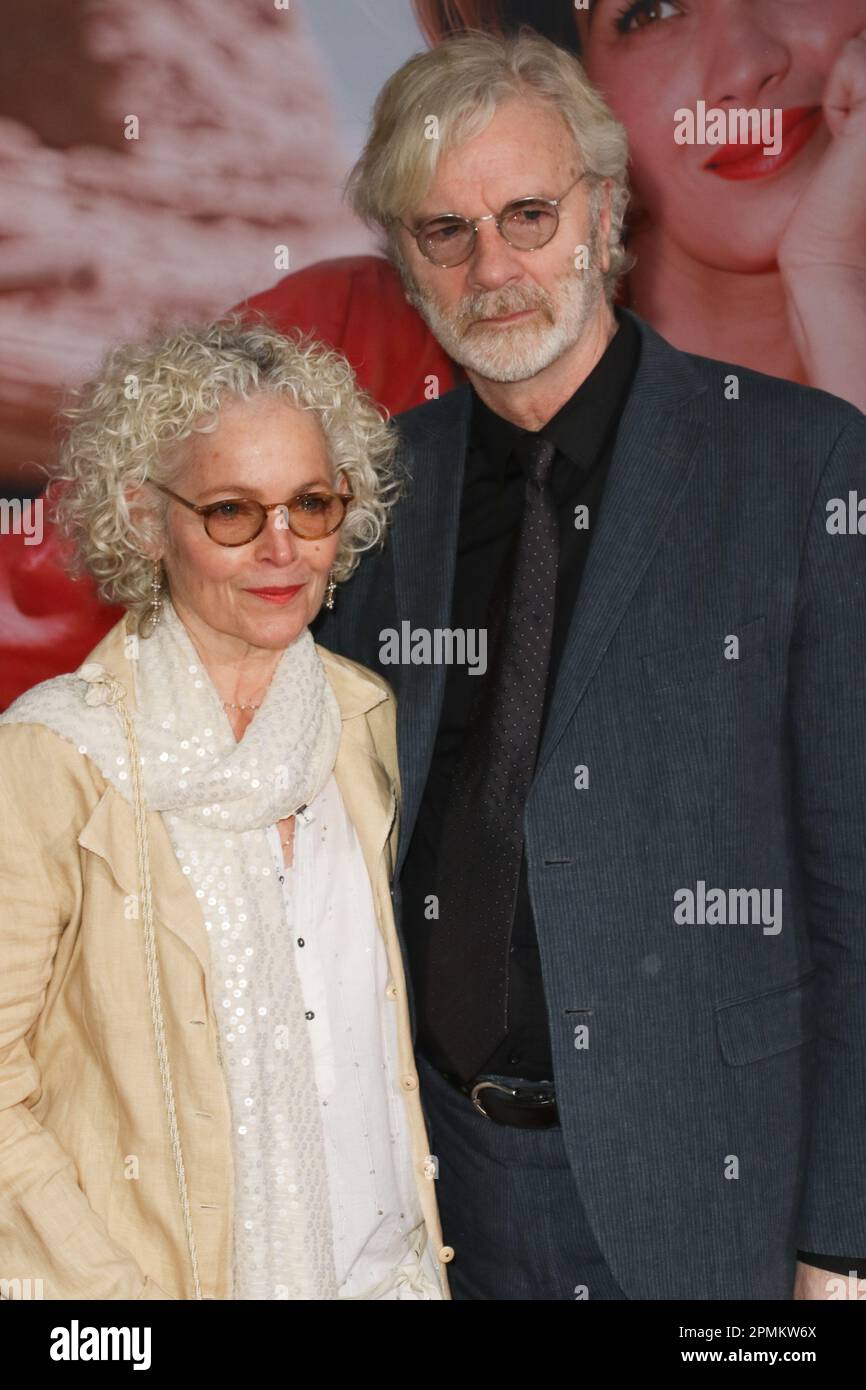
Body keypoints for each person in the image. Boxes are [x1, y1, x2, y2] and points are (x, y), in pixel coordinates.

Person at [313, 30, 866, 1300]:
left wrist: (838, 1243)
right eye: (444, 231)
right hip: (433, 1183)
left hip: (710, 1188)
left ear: (605, 213)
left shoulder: (804, 468)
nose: (492, 267)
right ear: (405, 259)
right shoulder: (379, 491)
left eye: (526, 212)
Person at [0, 318, 452, 1300]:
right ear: (145, 514)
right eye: (233, 512)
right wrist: (108, 1294)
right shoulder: (59, 752)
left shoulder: (355, 717)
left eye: (311, 503)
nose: (283, 548)